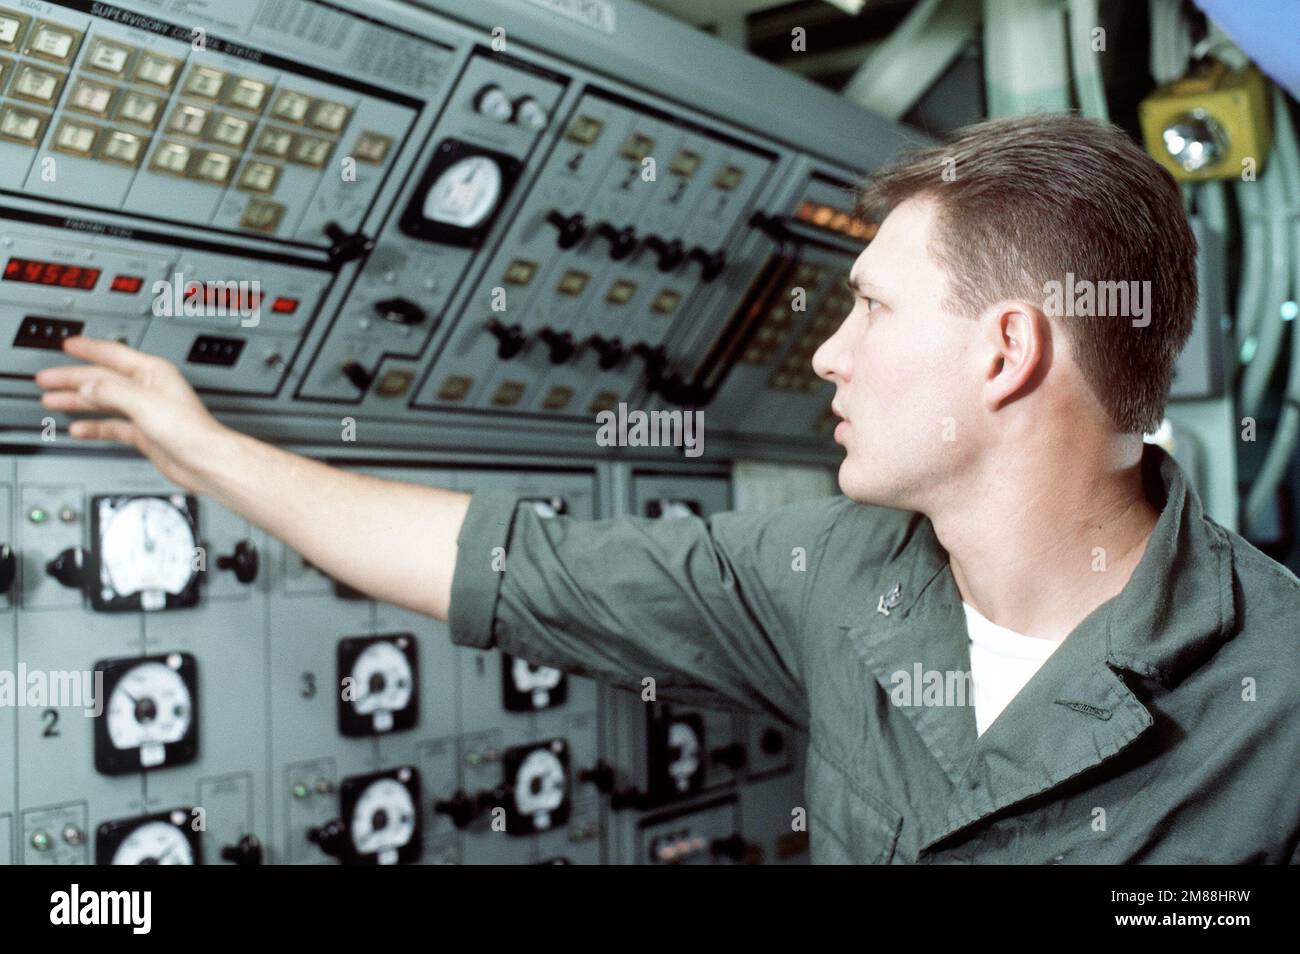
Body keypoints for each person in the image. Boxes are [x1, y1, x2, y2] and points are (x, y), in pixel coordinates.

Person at [36, 114, 1300, 863]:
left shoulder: (1281, 694)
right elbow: (506, 566)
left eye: (867, 308)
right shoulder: (834, 570)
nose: (826, 354)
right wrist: (197, 444)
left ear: (1004, 351)